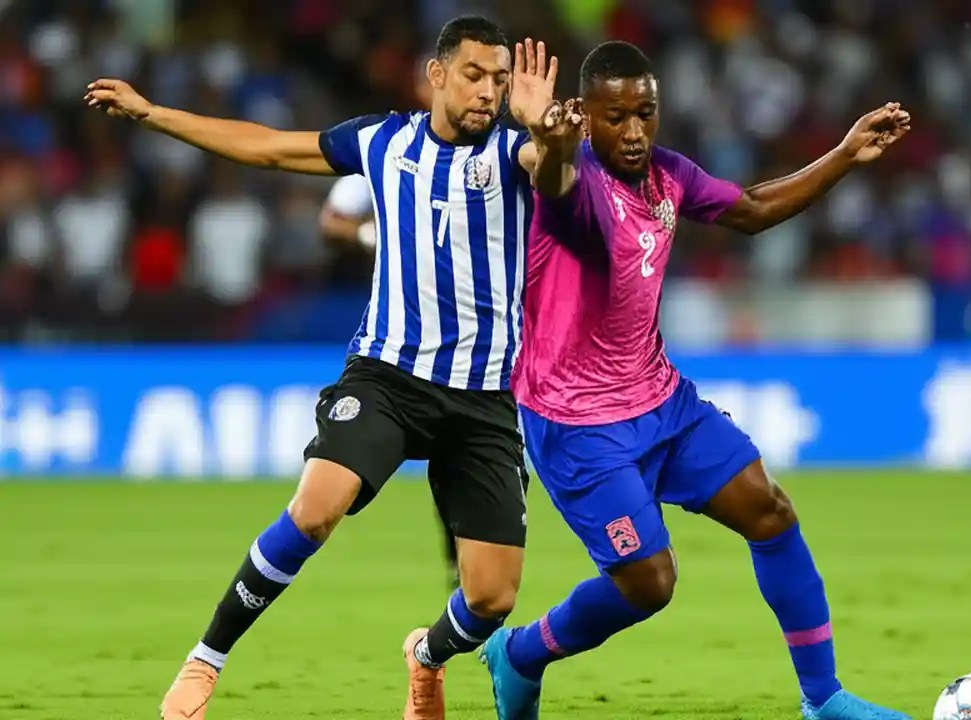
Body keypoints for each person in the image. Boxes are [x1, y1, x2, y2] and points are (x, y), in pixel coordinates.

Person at [86, 17, 567, 720]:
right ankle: (206, 657)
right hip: (389, 376)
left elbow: (557, 179)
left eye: (499, 80)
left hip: (486, 394)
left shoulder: (516, 150)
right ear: (436, 75)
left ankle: (426, 657)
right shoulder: (382, 142)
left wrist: (550, 134)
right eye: (474, 75)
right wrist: (153, 114)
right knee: (315, 509)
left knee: (492, 598)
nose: (488, 92)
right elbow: (269, 148)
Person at [478, 41, 913, 720]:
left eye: (645, 113)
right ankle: (522, 654)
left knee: (769, 510)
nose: (634, 131)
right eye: (616, 117)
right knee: (650, 583)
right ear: (586, 117)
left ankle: (823, 698)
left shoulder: (669, 176)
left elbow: (754, 208)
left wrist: (844, 155)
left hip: (660, 401)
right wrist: (550, 139)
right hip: (577, 424)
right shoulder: (575, 181)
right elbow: (555, 184)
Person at [317, 65, 462, 592]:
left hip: (469, 329)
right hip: (400, 325)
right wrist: (374, 238)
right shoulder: (390, 150)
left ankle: (462, 567)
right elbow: (331, 222)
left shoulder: (488, 155)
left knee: (462, 449)